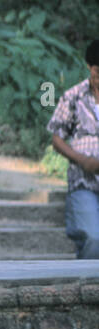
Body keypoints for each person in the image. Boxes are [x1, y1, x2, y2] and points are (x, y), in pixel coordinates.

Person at [47, 39, 99, 259]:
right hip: (83, 181)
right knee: (93, 238)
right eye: (98, 71)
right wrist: (83, 160)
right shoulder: (73, 96)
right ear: (90, 68)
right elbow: (57, 138)